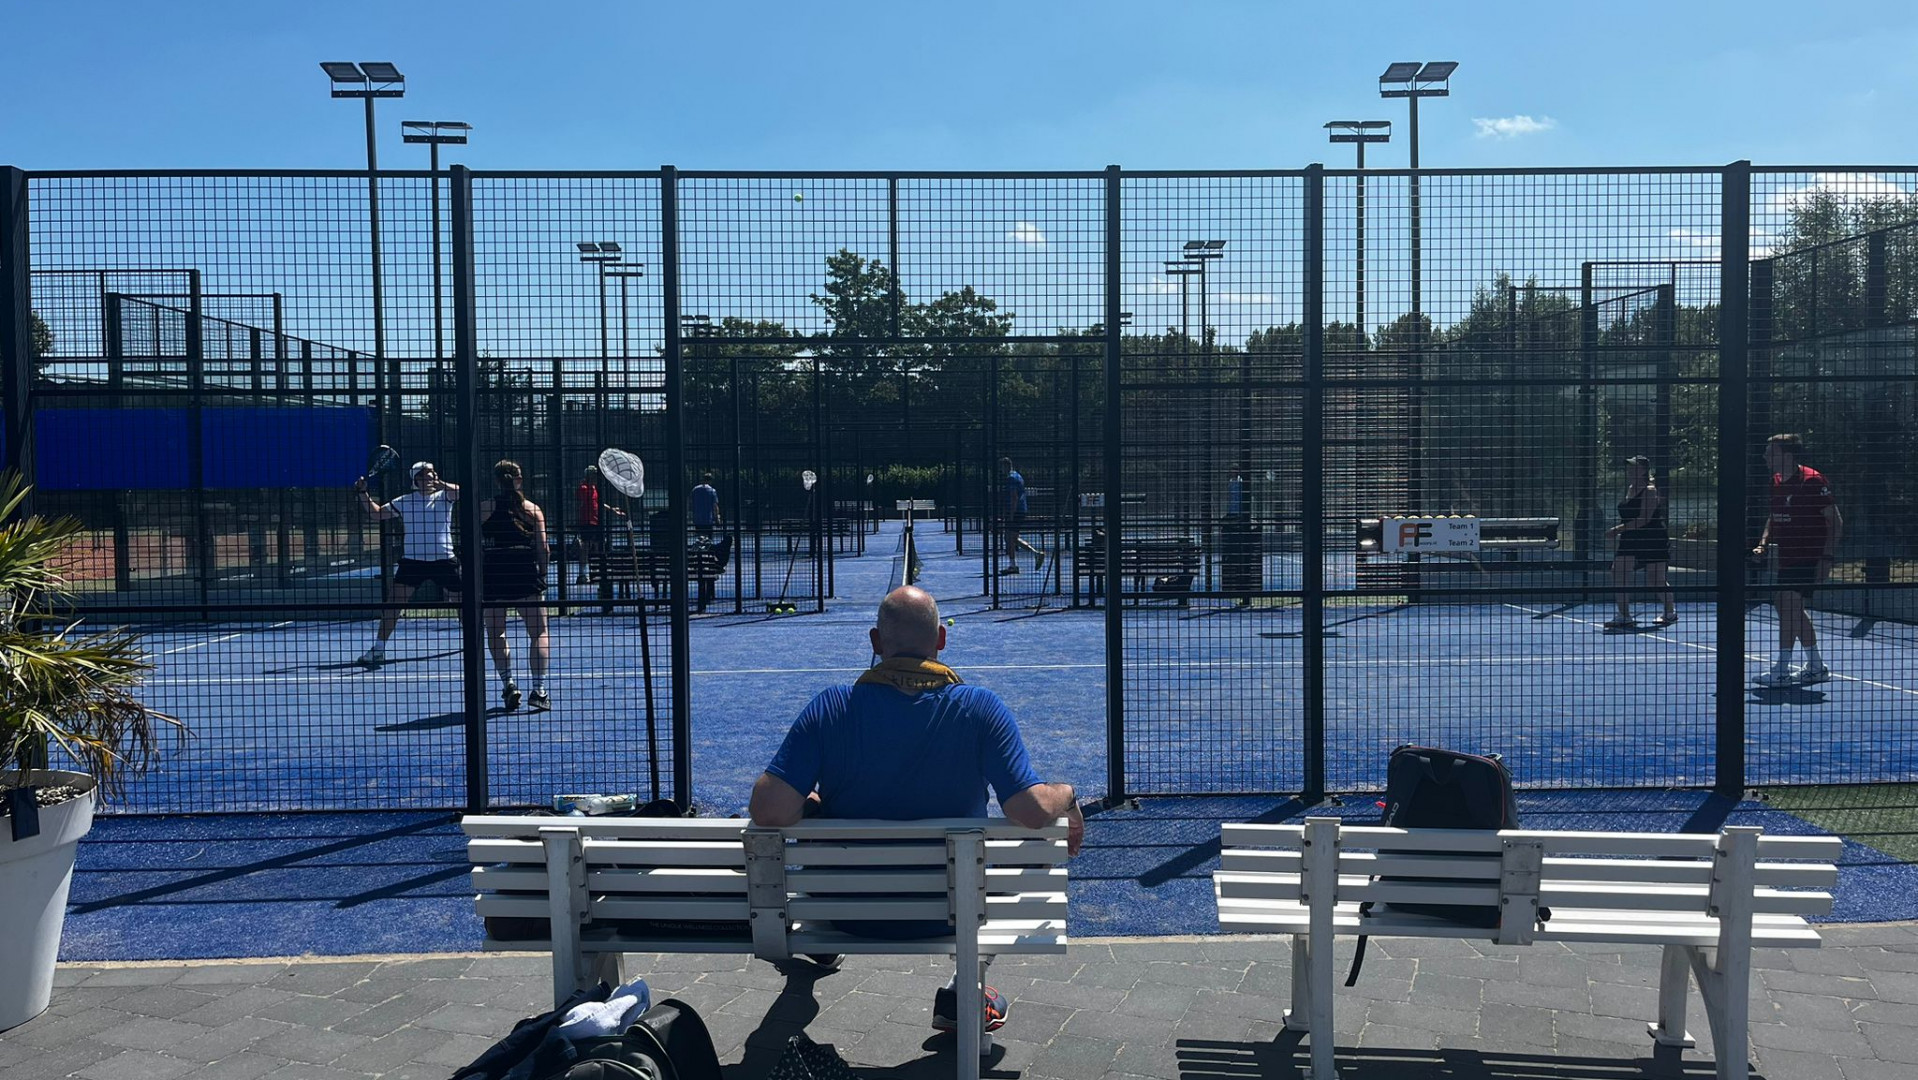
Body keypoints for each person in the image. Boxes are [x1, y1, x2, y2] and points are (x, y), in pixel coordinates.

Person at [749, 585, 1084, 1045]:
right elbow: (1028, 809)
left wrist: (810, 805)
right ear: (941, 639)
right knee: (1029, 844)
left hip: (844, 909)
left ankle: (824, 948)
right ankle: (967, 987)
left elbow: (768, 811)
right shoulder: (980, 709)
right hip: (951, 913)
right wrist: (1066, 794)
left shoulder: (830, 708)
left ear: (875, 641)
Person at [1753, 433, 1843, 687]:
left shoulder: (1812, 481)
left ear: (1788, 455)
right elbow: (1774, 516)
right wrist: (1764, 543)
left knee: (1786, 604)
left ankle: (1782, 668)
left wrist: (1826, 558)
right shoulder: (1777, 481)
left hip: (1809, 556)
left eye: (1771, 453)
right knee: (1789, 609)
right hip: (1787, 557)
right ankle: (1816, 665)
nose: (1765, 457)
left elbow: (1835, 523)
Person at [356, 462, 461, 667]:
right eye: (425, 475)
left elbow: (460, 491)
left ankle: (472, 641)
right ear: (416, 480)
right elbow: (377, 514)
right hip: (413, 562)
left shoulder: (445, 496)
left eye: (433, 473)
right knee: (394, 604)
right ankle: (378, 649)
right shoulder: (404, 501)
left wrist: (442, 484)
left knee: (462, 602)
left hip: (445, 560)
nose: (431, 477)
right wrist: (362, 493)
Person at [480, 460, 553, 711]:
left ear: (497, 481)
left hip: (494, 573)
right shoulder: (533, 510)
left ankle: (508, 683)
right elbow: (543, 548)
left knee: (496, 632)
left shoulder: (484, 508)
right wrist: (542, 574)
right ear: (519, 479)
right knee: (539, 633)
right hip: (524, 572)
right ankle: (539, 690)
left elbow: (473, 544)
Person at [1604, 455, 1676, 630]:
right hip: (1630, 537)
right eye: (1629, 467)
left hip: (1652, 538)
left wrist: (1617, 530)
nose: (1630, 470)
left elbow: (1644, 518)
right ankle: (1624, 615)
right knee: (1618, 570)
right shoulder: (1629, 488)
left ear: (1644, 470)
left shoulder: (1650, 490)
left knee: (1655, 578)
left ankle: (1669, 611)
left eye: (1634, 467)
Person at [574, 466, 620, 586]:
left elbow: (597, 502)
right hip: (587, 522)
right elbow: (581, 500)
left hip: (596, 521)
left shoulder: (594, 488)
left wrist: (611, 509)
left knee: (597, 546)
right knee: (585, 548)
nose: (596, 478)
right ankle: (583, 574)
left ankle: (596, 573)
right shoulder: (584, 488)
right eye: (594, 475)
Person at [1000, 456, 1044, 575]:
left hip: (1016, 511)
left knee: (1009, 538)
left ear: (1005, 466)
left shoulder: (1011, 478)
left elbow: (1014, 497)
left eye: (1002, 467)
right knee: (1012, 538)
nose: (1001, 470)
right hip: (1021, 510)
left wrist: (1011, 515)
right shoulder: (1018, 476)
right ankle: (1036, 554)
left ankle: (1013, 566)